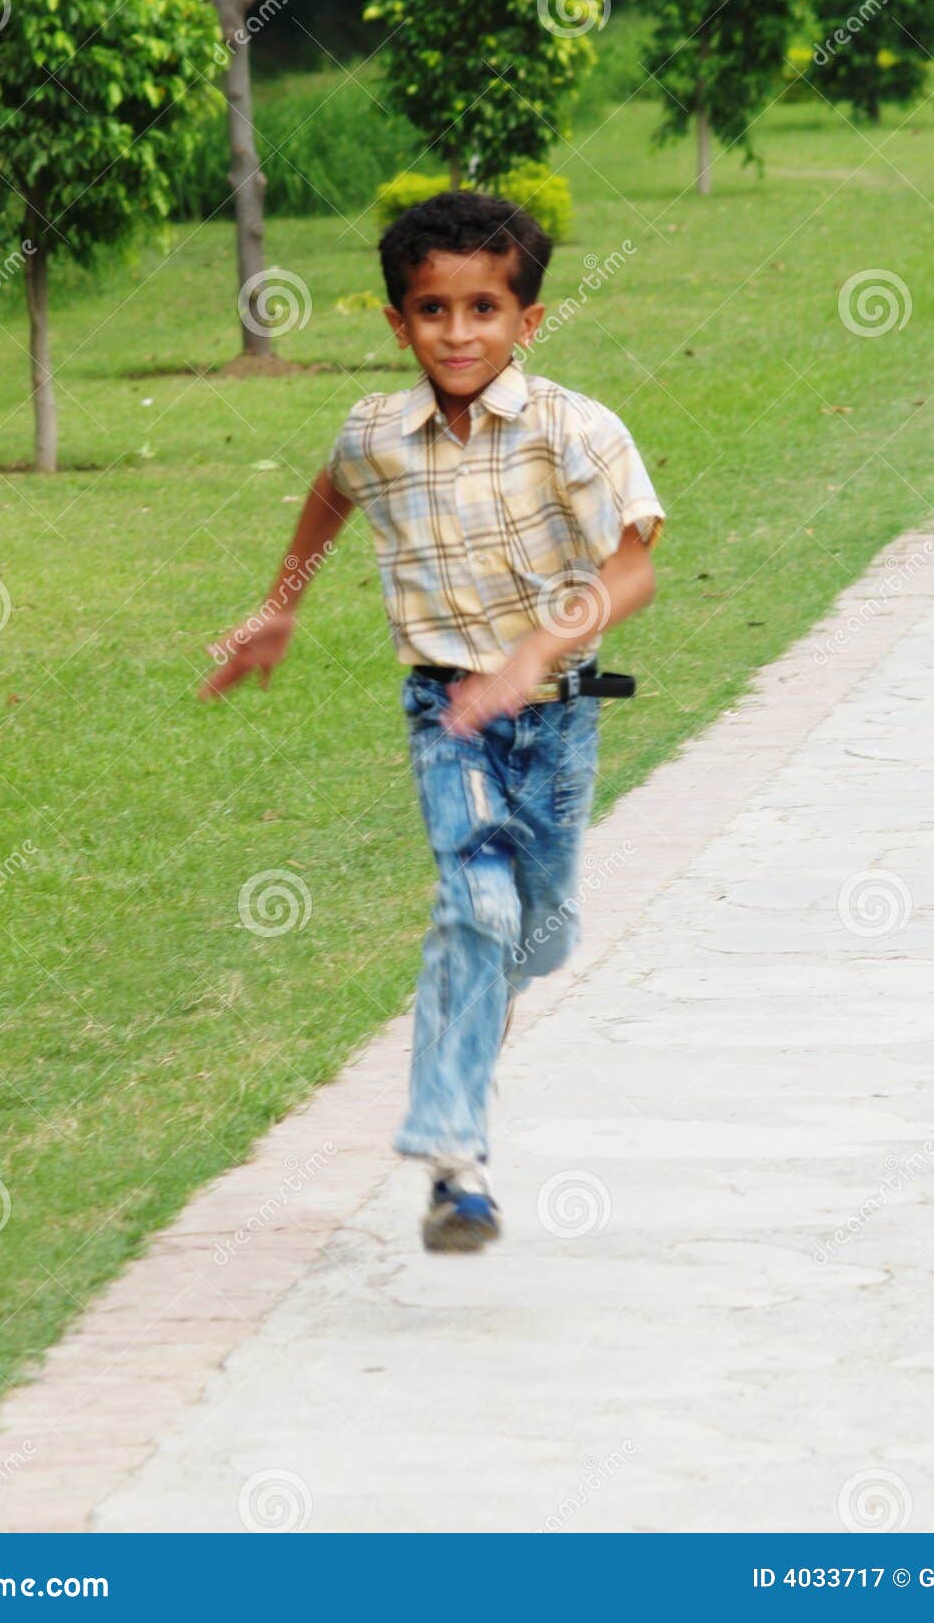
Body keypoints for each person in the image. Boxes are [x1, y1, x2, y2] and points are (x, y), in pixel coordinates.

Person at [199, 192, 666, 1253]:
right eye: (432, 310)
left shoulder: (574, 430)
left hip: (556, 721)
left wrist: (535, 655)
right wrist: (280, 608)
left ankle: (460, 1110)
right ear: (398, 319)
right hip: (448, 714)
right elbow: (330, 494)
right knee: (479, 911)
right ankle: (457, 1160)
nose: (459, 334)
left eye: (484, 309)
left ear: (528, 320)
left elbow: (631, 565)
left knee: (536, 936)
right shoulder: (378, 432)